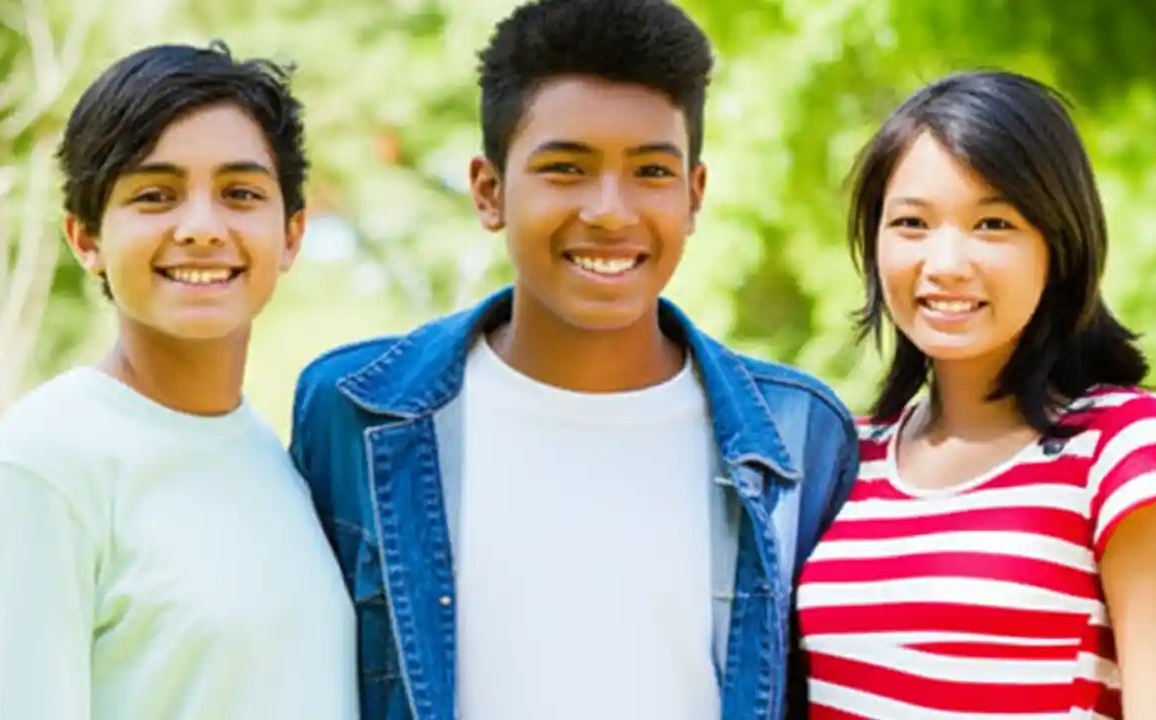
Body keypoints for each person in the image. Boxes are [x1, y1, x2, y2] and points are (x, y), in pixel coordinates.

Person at [289, 1, 857, 718]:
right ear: (489, 191)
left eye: (651, 171)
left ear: (694, 195)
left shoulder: (800, 434)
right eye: (565, 168)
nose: (611, 212)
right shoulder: (354, 413)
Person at [0, 42, 358, 720]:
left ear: (291, 234)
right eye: (155, 195)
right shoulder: (46, 463)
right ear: (85, 239)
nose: (201, 228)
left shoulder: (271, 456)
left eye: (240, 193)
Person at [795, 70, 1156, 719]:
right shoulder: (845, 456)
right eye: (912, 223)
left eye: (992, 223)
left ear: (1060, 243)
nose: (947, 262)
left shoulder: (1118, 446)